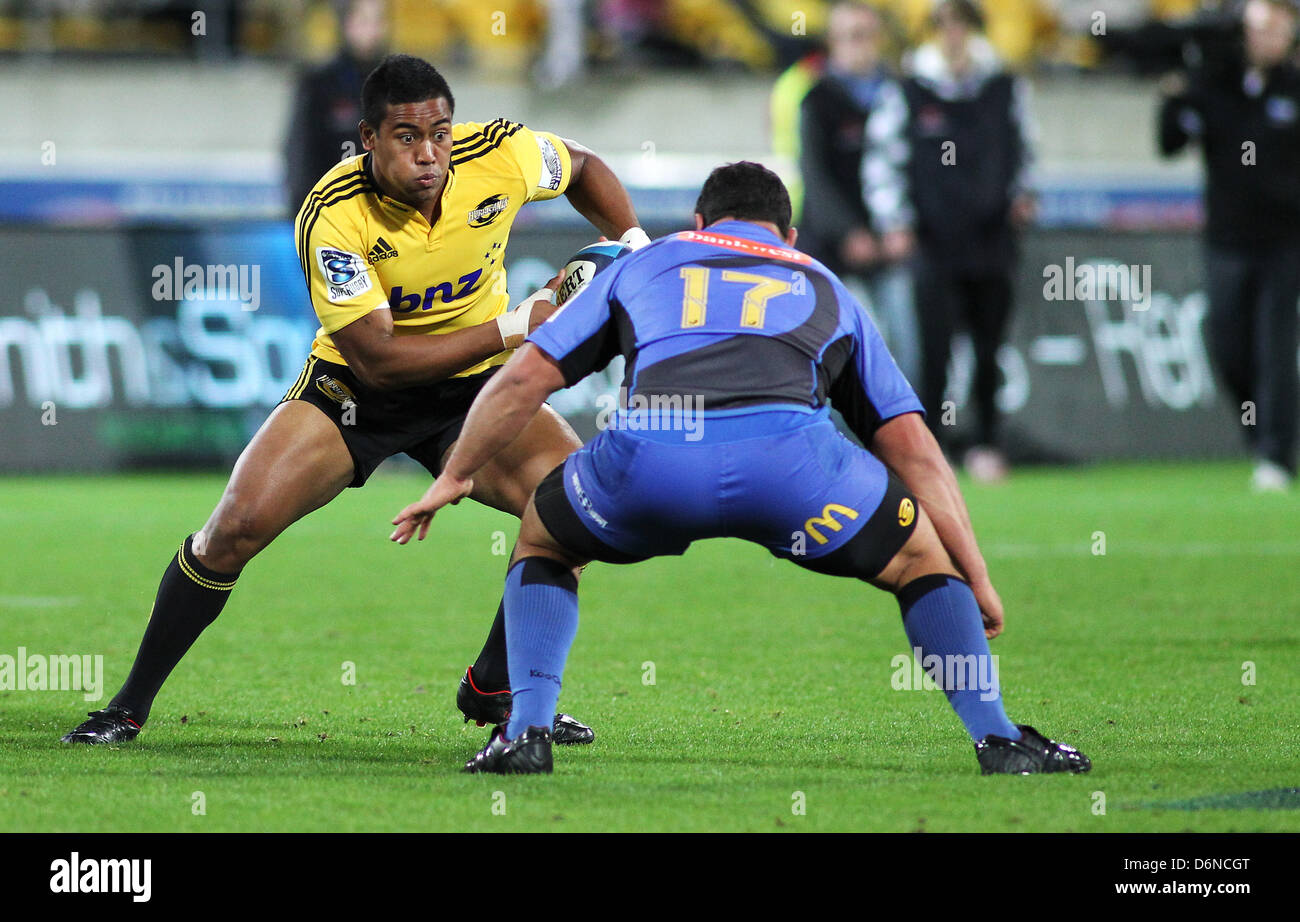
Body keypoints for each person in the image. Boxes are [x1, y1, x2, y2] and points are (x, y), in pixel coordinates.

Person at [390, 161, 1091, 777]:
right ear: (787, 237)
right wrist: (975, 575)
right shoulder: (823, 282)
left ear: (699, 222)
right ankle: (999, 739)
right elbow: (911, 445)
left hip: (654, 461)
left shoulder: (648, 261)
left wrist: (455, 475)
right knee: (917, 560)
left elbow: (525, 378)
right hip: (792, 469)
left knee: (546, 535)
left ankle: (527, 732)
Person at [62, 54, 651, 746]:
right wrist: (518, 324)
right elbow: (381, 357)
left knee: (574, 512)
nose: (429, 154)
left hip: (472, 392)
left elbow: (581, 165)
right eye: (406, 137)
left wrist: (634, 245)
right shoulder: (333, 213)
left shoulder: (499, 154)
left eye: (439, 132)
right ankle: (127, 707)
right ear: (367, 138)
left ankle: (495, 688)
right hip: (354, 394)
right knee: (234, 528)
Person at [862, 0, 1036, 482]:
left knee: (989, 346)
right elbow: (883, 158)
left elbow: (1024, 150)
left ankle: (987, 441)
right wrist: (893, 221)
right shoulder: (910, 90)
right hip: (933, 240)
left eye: (960, 24)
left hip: (991, 237)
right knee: (933, 350)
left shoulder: (1004, 87)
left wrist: (1023, 196)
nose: (953, 34)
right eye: (944, 25)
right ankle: (933, 447)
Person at [1158, 0, 1300, 492]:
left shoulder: (1294, 87)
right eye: (1259, 29)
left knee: (1276, 350)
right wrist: (1174, 95)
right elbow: (1171, 142)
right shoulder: (1216, 84)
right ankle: (1260, 434)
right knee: (1228, 345)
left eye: (1277, 30)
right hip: (1226, 238)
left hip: (1284, 242)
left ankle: (1277, 454)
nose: (1267, 39)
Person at [799, 0, 919, 384]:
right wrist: (849, 231)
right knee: (852, 346)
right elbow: (815, 177)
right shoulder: (817, 101)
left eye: (866, 36)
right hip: (834, 251)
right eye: (850, 37)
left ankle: (904, 438)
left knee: (908, 344)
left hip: (891, 247)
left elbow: (920, 168)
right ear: (833, 43)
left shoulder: (902, 98)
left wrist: (902, 227)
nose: (859, 46)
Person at [284, 0, 390, 213]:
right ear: (347, 24)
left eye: (378, 21)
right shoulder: (318, 84)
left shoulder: (398, 82)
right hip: (331, 219)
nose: (372, 29)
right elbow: (299, 154)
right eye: (365, 20)